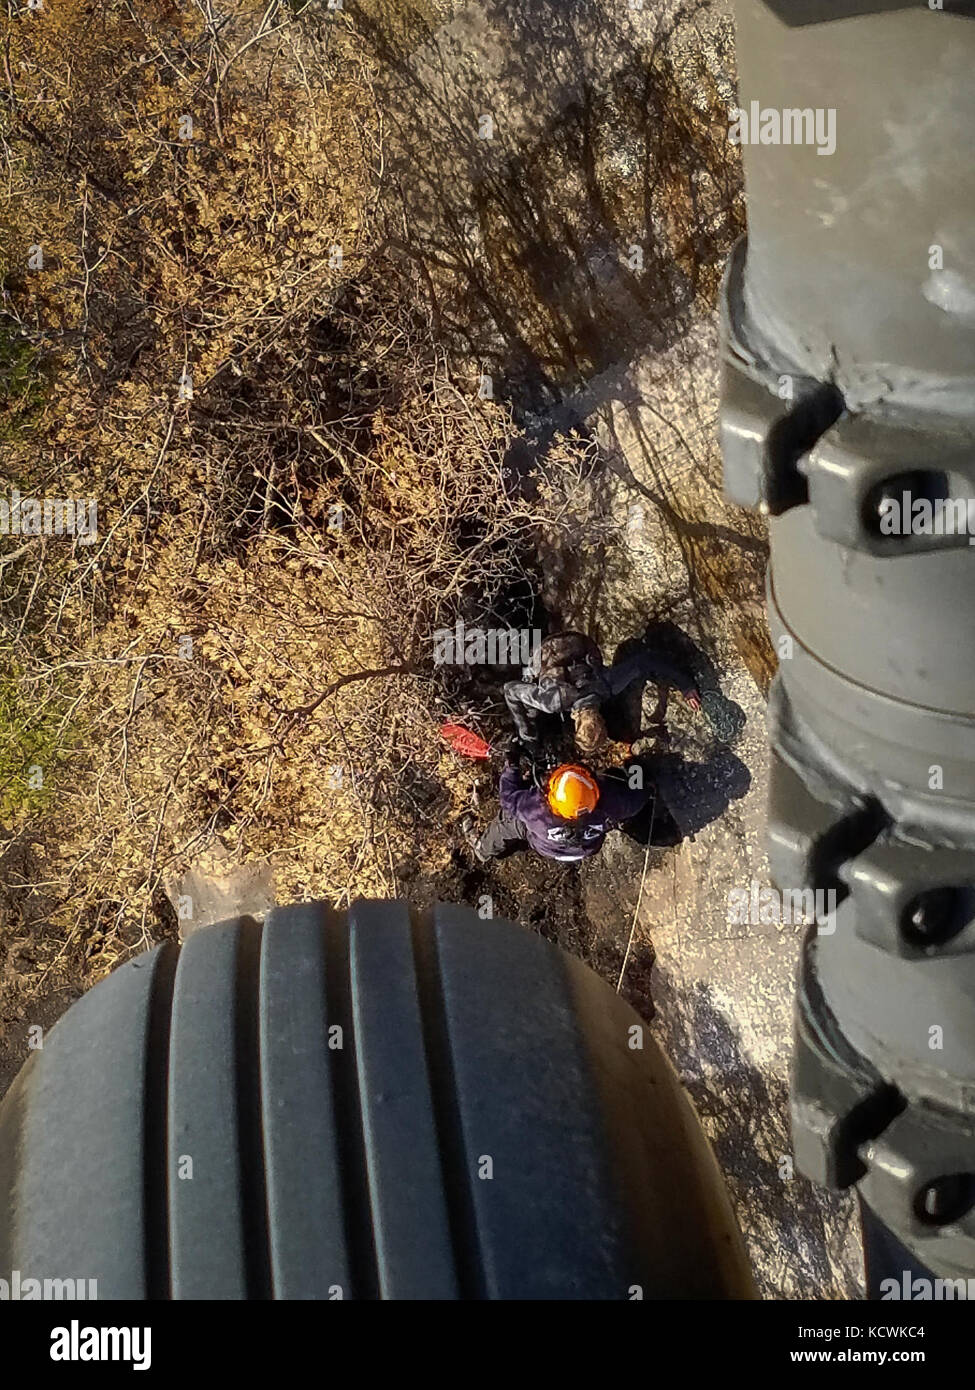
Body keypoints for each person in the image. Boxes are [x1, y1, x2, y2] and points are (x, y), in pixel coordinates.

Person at [502, 630, 700, 751]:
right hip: (554, 647)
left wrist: (686, 685)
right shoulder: (551, 702)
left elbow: (644, 661)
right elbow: (509, 689)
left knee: (533, 707)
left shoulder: (608, 686)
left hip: (578, 642)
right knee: (532, 710)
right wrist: (524, 727)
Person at [465, 753, 651, 864]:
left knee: (509, 822)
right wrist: (637, 767)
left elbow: (508, 799)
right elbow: (638, 797)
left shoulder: (535, 812)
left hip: (545, 847)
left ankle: (483, 849)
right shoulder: (611, 804)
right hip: (587, 848)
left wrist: (511, 767)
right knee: (614, 779)